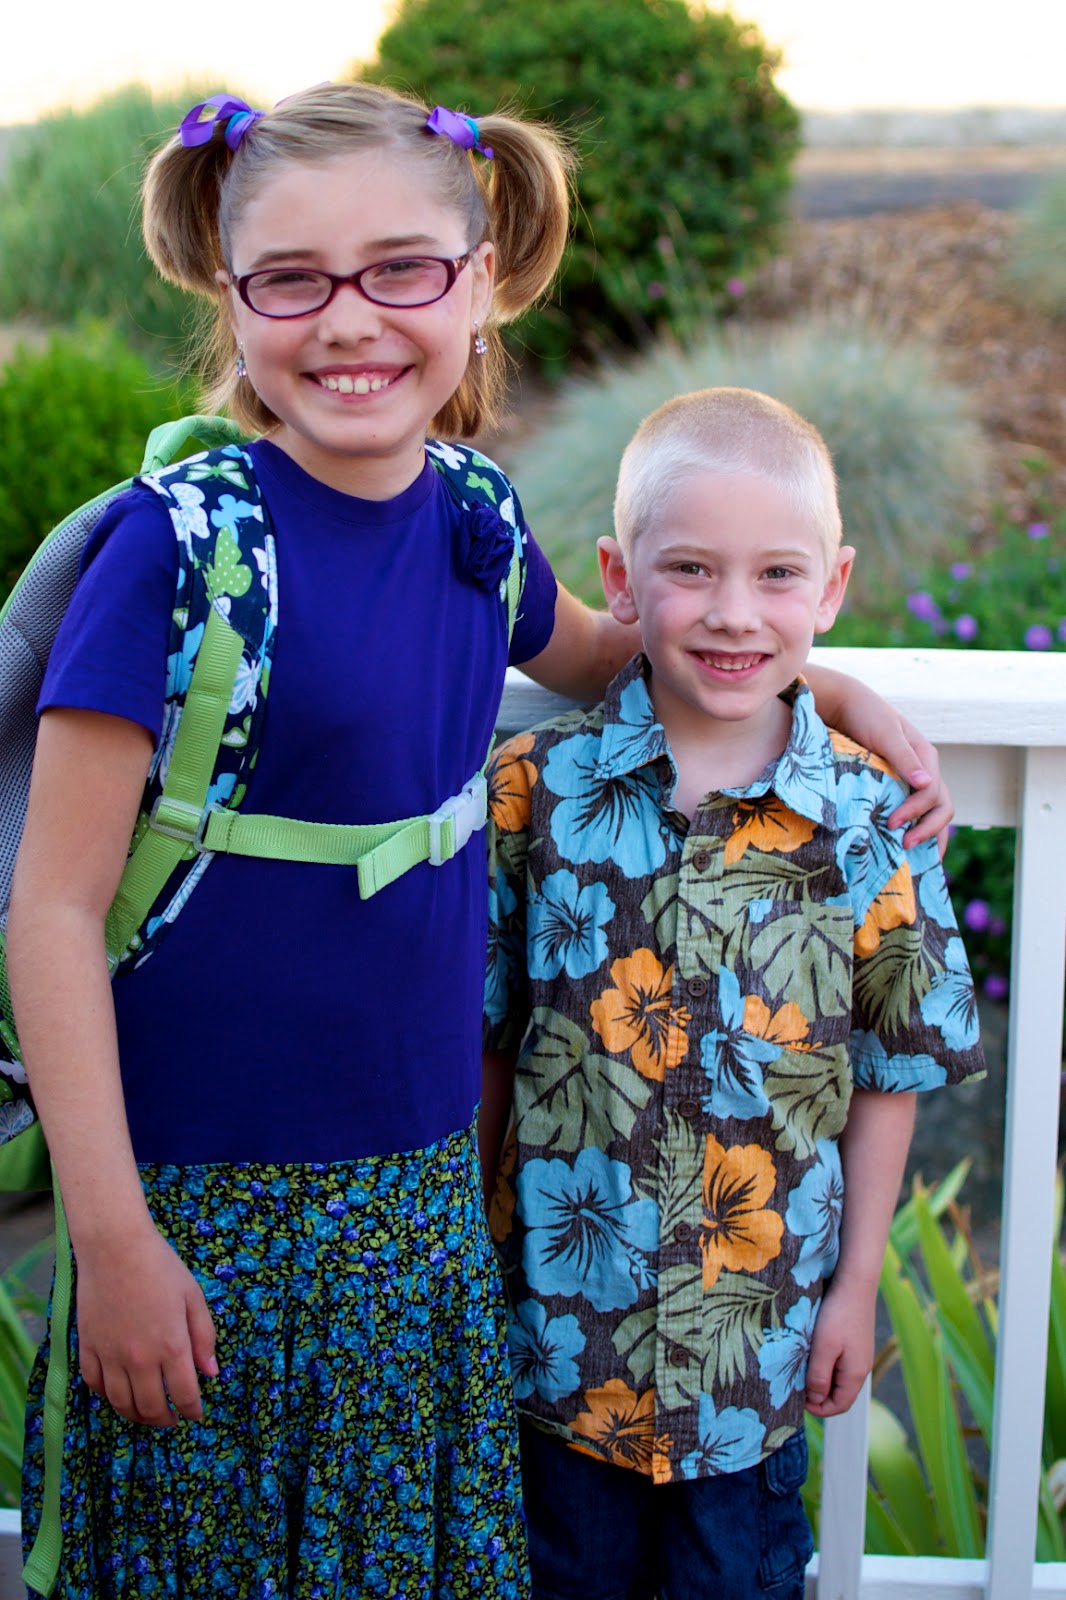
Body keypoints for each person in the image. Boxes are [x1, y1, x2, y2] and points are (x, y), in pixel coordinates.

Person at [8, 79, 951, 1599]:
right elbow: (49, 912)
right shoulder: (170, 554)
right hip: (203, 1211)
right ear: (229, 293)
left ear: (481, 277)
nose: (349, 321)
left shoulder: (474, 521)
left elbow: (606, 658)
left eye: (402, 268)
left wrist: (820, 680)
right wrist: (112, 1240)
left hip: (424, 1206)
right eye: (291, 280)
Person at [481, 387, 986, 1600]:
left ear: (832, 588)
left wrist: (857, 1285)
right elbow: (489, 1044)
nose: (731, 612)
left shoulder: (867, 819)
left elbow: (890, 1072)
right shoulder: (532, 794)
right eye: (692, 569)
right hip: (555, 1347)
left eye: (775, 576)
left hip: (755, 1367)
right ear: (619, 573)